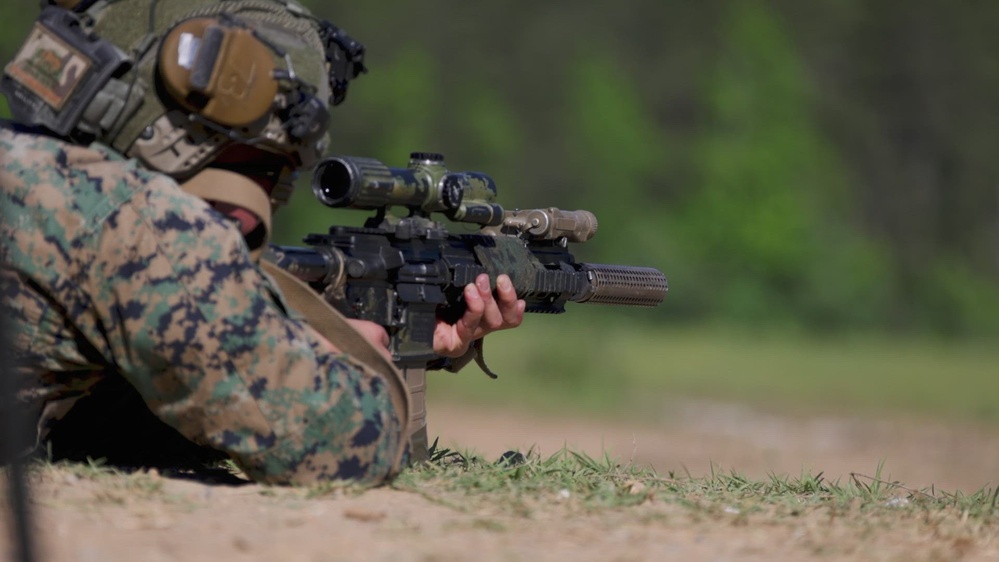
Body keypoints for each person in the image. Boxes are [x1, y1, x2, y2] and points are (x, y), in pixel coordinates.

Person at [0, 0, 524, 486]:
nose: (263, 195)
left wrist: (274, 328)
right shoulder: (130, 221)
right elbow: (345, 442)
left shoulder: (40, 175)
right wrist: (343, 352)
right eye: (254, 160)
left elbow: (85, 421)